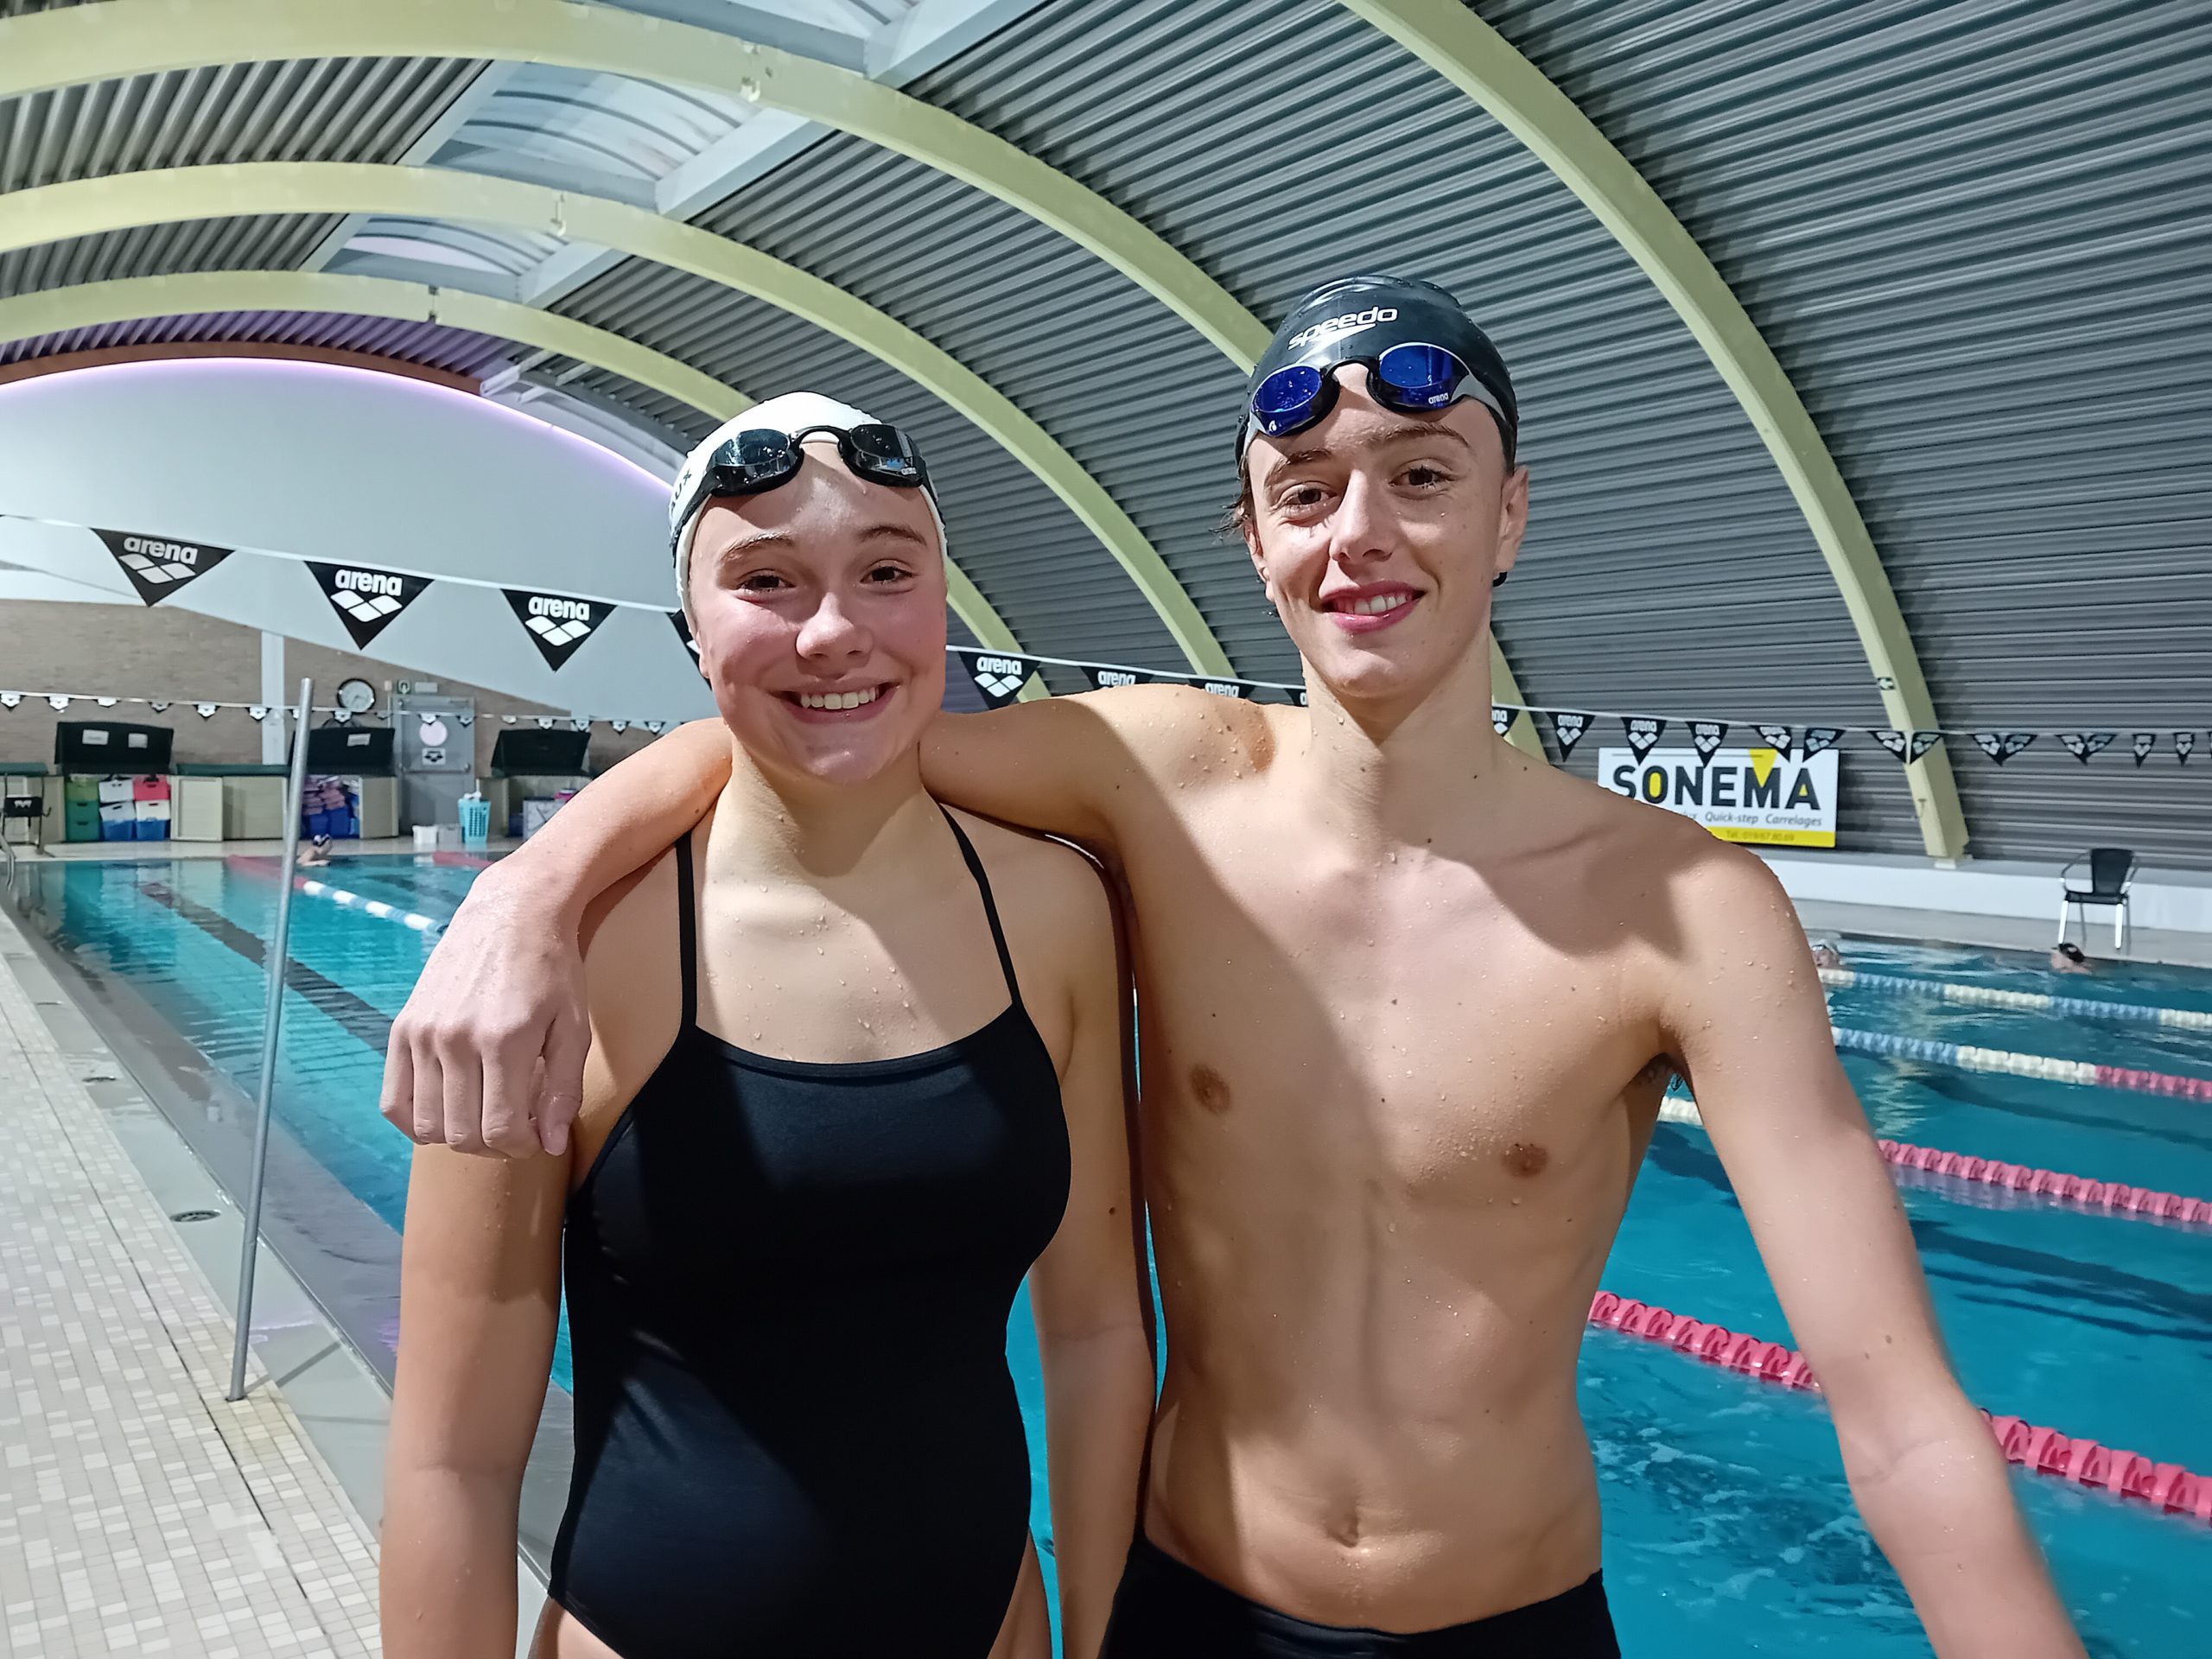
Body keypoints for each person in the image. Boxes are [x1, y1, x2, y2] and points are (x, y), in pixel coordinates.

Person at [385, 280, 2086, 1657]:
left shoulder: (1683, 910)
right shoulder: (1154, 779)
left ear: (1508, 517)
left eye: (1421, 476)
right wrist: (528, 892)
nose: (1363, 534)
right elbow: (823, 715)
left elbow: (1901, 1422)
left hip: (1506, 1624)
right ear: (1252, 537)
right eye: (1307, 494)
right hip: (1185, 1614)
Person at [380, 396, 1154, 1659]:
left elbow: (1099, 1331)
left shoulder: (1055, 912)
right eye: (769, 581)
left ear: (943, 600)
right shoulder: (566, 960)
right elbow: (452, 1463)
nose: (836, 631)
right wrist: (525, 891)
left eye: (886, 571)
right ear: (694, 631)